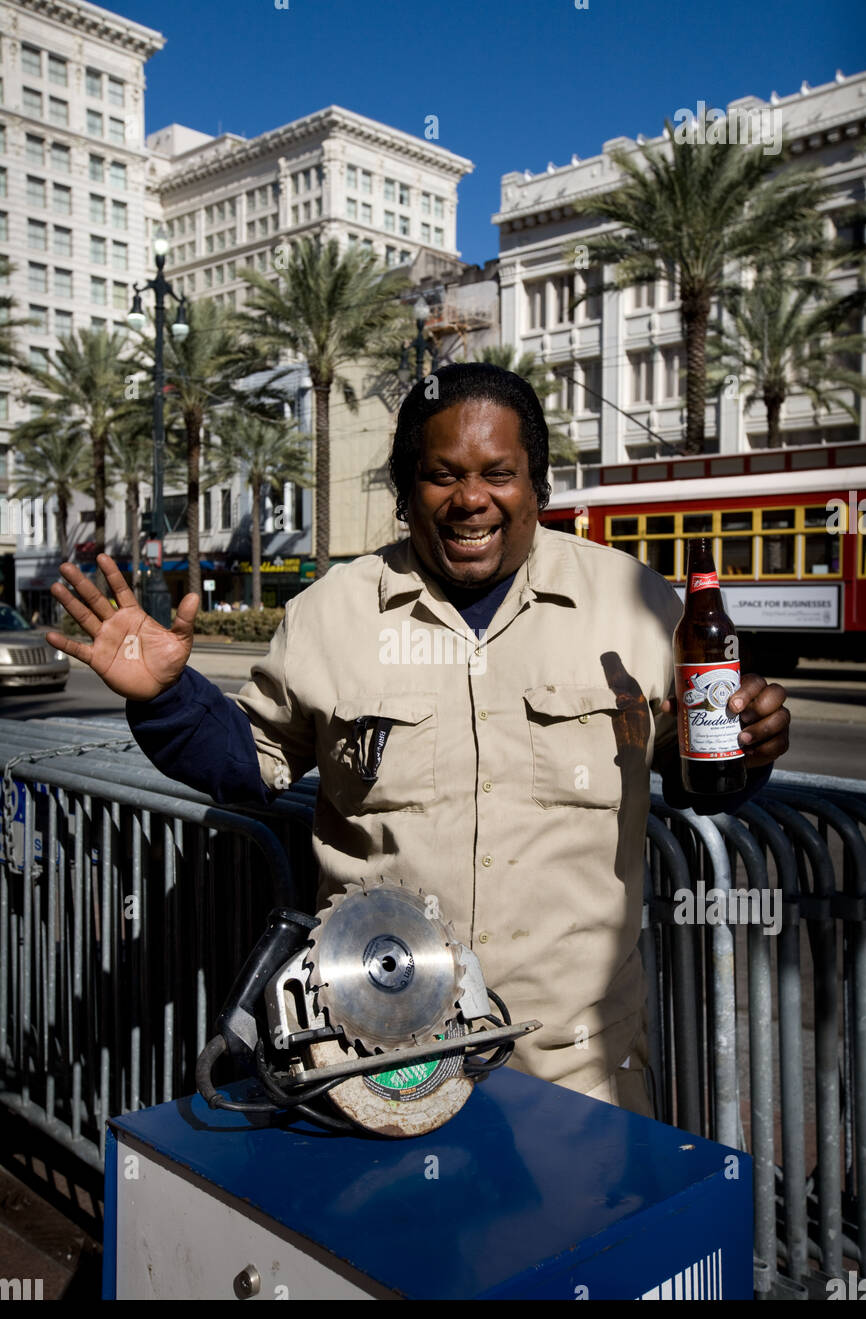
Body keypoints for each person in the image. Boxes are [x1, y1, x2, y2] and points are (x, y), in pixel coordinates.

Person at [46, 365, 790, 1118]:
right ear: (408, 491)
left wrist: (751, 745)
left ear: (539, 487)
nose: (472, 499)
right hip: (379, 1061)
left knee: (583, 1237)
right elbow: (248, 765)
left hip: (577, 1067)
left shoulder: (635, 604)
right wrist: (170, 700)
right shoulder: (329, 614)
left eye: (499, 473)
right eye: (442, 475)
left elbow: (700, 766)